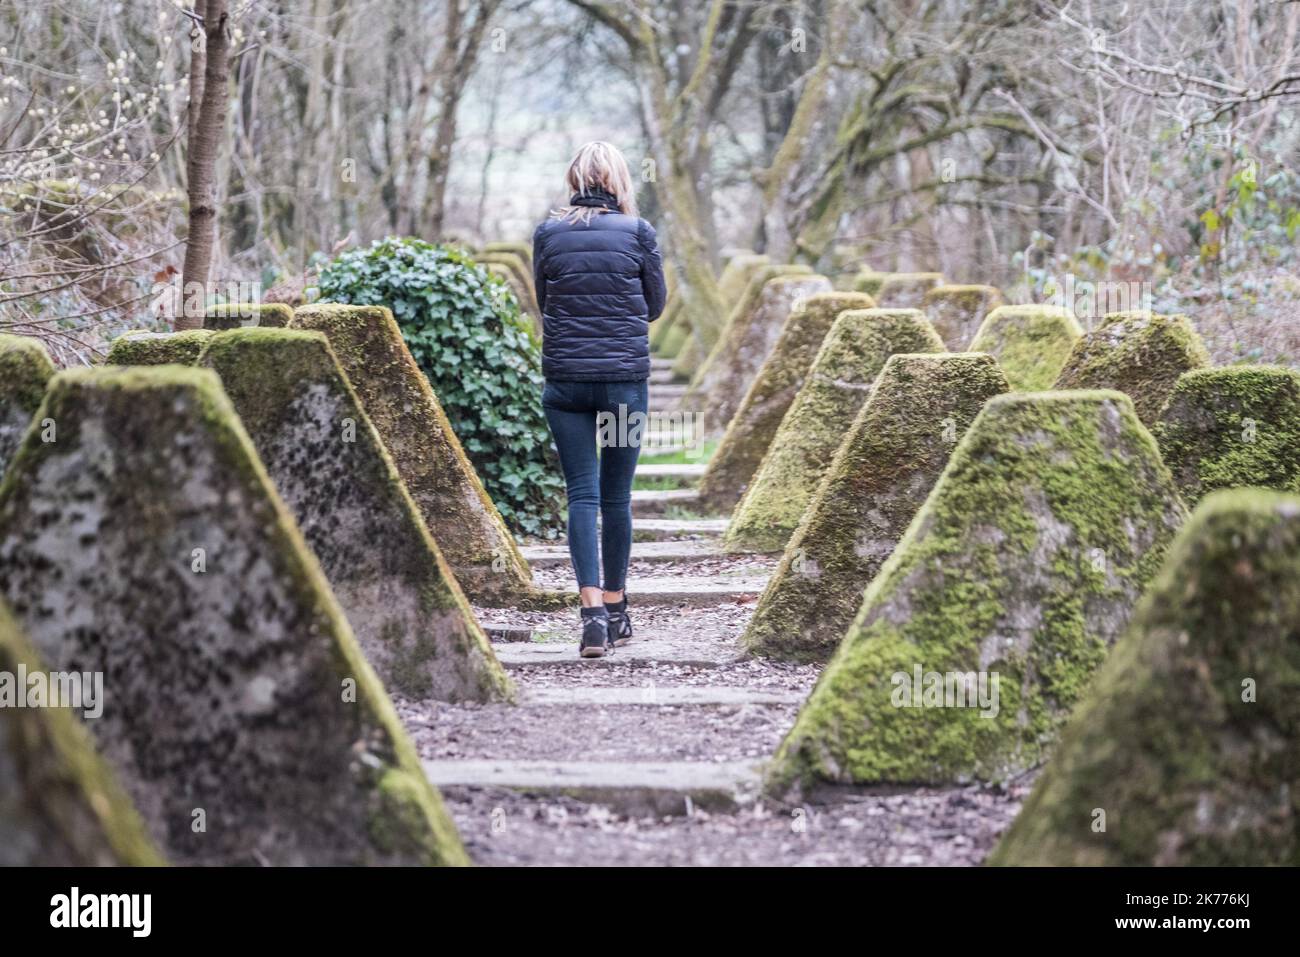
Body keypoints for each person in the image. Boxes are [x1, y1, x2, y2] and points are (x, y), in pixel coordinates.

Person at [532, 141, 667, 658]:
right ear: (619, 182)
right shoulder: (638, 233)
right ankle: (616, 608)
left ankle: (590, 616)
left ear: (575, 181)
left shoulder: (548, 234)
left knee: (581, 496)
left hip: (566, 385)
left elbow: (547, 303)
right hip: (622, 386)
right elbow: (654, 306)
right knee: (615, 497)